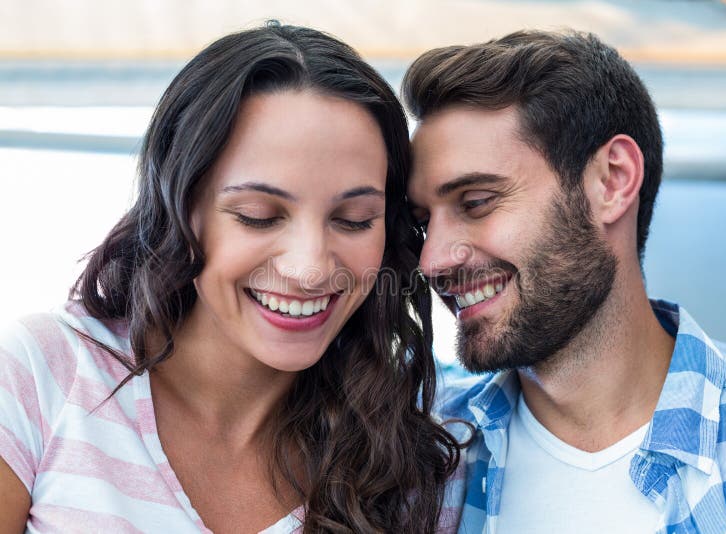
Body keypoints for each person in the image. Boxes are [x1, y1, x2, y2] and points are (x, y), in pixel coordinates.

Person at [0, 22, 460, 533]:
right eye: (258, 215)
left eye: (353, 220)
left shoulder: (415, 467)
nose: (309, 269)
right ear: (182, 208)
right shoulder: (39, 375)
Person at [403, 30, 726, 533]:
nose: (433, 260)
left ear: (612, 181)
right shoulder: (420, 453)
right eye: (422, 222)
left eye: (476, 202)